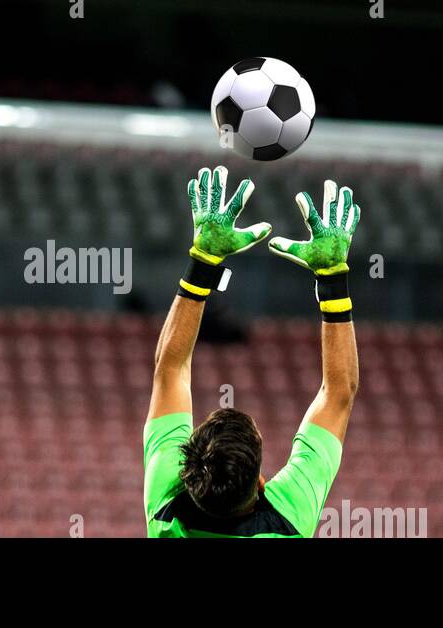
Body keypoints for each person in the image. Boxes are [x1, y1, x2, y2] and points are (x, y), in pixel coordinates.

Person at [144, 166, 360, 537]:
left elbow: (171, 369)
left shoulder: (167, 514)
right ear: (261, 483)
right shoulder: (285, 522)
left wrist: (204, 259)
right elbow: (339, 392)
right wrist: (332, 276)